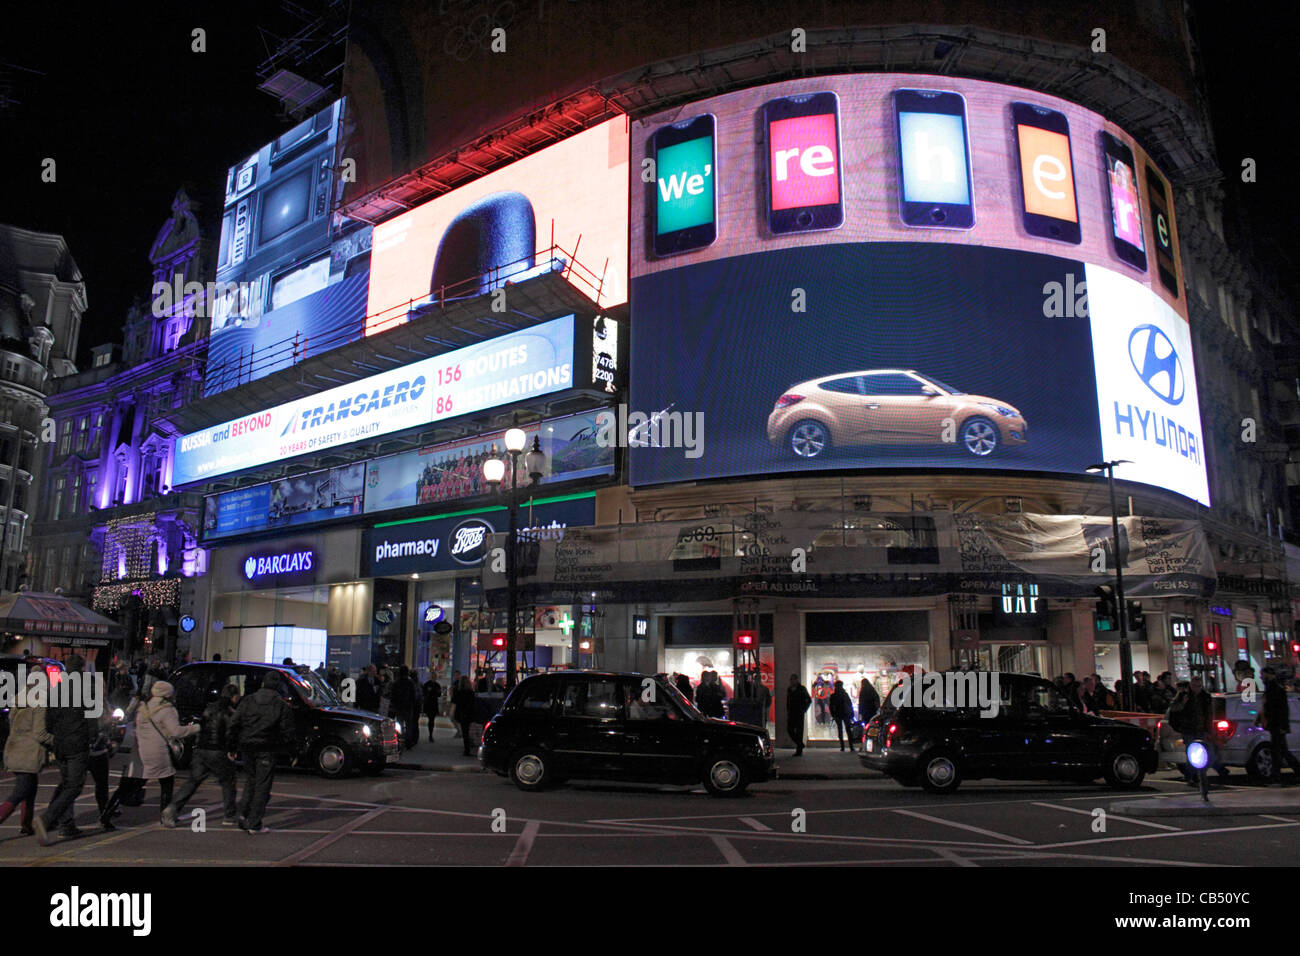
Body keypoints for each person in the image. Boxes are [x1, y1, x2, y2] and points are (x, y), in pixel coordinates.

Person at [33, 654, 95, 845]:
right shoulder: (85, 688)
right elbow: (92, 717)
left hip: (60, 742)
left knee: (67, 783)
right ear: (82, 668)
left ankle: (66, 825)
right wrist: (92, 737)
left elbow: (49, 720)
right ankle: (47, 819)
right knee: (74, 785)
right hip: (76, 741)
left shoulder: (57, 688)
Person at [229, 670, 296, 834]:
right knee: (262, 785)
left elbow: (234, 724)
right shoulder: (280, 705)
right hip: (267, 747)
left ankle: (242, 813)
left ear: (262, 683)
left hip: (247, 745)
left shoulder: (248, 700)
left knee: (251, 781)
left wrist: (232, 746)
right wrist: (292, 752)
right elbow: (288, 731)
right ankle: (254, 822)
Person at [164, 684, 240, 827]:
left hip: (202, 749)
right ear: (233, 696)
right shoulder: (229, 711)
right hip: (218, 749)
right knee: (228, 781)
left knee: (193, 781)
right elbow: (231, 733)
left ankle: (172, 808)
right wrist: (232, 750)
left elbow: (202, 726)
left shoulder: (209, 708)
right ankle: (229, 815)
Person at [133, 680, 201, 824]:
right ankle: (166, 815)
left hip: (142, 750)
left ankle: (108, 811)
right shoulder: (166, 709)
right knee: (167, 782)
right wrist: (196, 728)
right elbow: (176, 731)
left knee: (134, 782)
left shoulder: (142, 707)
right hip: (159, 751)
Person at [0, 697, 46, 836]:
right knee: (21, 791)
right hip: (28, 752)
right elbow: (40, 734)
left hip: (14, 749)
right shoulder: (39, 705)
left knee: (30, 788)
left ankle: (26, 825)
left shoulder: (19, 702)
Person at [1257, 667, 1298, 784]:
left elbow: (1281, 710)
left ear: (1270, 675)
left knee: (1277, 752)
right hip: (1275, 725)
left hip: (1276, 725)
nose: (1261, 677)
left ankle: (1276, 777)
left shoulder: (1275, 689)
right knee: (1282, 751)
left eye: (1263, 675)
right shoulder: (1272, 688)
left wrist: (1282, 726)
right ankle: (1283, 774)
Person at [391, 666, 419, 749]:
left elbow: (393, 695)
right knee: (408, 725)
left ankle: (400, 740)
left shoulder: (396, 683)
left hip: (399, 707)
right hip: (408, 707)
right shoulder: (410, 683)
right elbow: (413, 695)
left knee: (399, 723)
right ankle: (408, 741)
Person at [786, 674, 812, 756]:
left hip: (799, 713)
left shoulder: (802, 689)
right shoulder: (789, 689)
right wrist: (788, 710)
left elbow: (809, 699)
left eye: (793, 679)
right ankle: (800, 744)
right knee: (790, 729)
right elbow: (788, 700)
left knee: (799, 731)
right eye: (791, 680)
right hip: (791, 713)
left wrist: (804, 709)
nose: (792, 681)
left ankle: (799, 750)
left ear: (797, 680)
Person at [452, 676, 477, 756]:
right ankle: (468, 748)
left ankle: (467, 749)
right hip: (469, 714)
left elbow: (455, 703)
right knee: (467, 731)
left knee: (464, 731)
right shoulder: (471, 693)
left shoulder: (458, 692)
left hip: (461, 714)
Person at [829, 680, 855, 752]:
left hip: (838, 714)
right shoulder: (845, 694)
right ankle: (851, 746)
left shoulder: (833, 696)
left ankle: (842, 747)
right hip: (845, 714)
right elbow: (850, 704)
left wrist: (833, 715)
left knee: (840, 730)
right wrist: (851, 713)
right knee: (848, 730)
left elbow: (831, 706)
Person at [422, 673, 442, 743]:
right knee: (431, 719)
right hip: (428, 704)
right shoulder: (427, 684)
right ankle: (430, 734)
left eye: (434, 676)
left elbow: (439, 694)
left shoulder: (437, 685)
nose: (433, 677)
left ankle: (430, 734)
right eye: (432, 676)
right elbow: (423, 693)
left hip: (433, 704)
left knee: (431, 719)